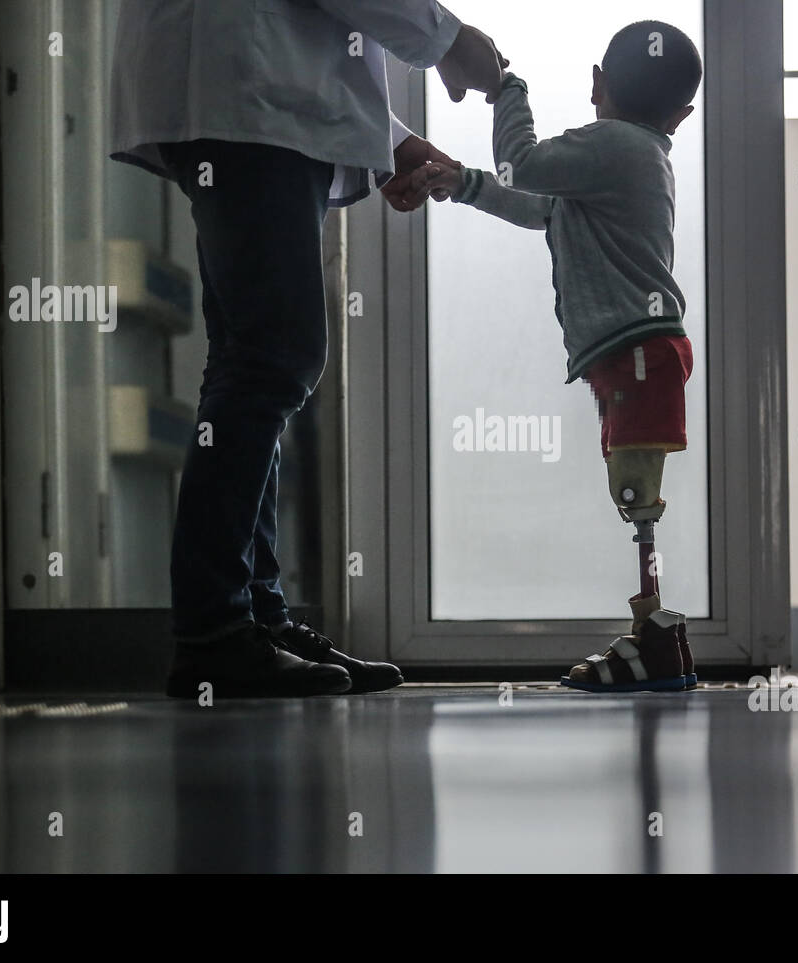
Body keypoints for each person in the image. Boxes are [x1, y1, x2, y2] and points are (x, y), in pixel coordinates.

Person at [109, 0, 506, 698]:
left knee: (251, 358)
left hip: (248, 95)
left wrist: (387, 139)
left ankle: (252, 618)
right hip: (245, 96)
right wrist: (447, 40)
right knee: (273, 354)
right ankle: (215, 629)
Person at [413, 20, 703, 691]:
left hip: (634, 351)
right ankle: (656, 636)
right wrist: (462, 183)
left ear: (597, 84)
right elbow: (543, 205)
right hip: (635, 351)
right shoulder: (635, 156)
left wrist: (505, 89)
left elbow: (525, 164)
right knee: (637, 494)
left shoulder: (613, 145)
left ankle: (654, 640)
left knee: (636, 493)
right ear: (683, 116)